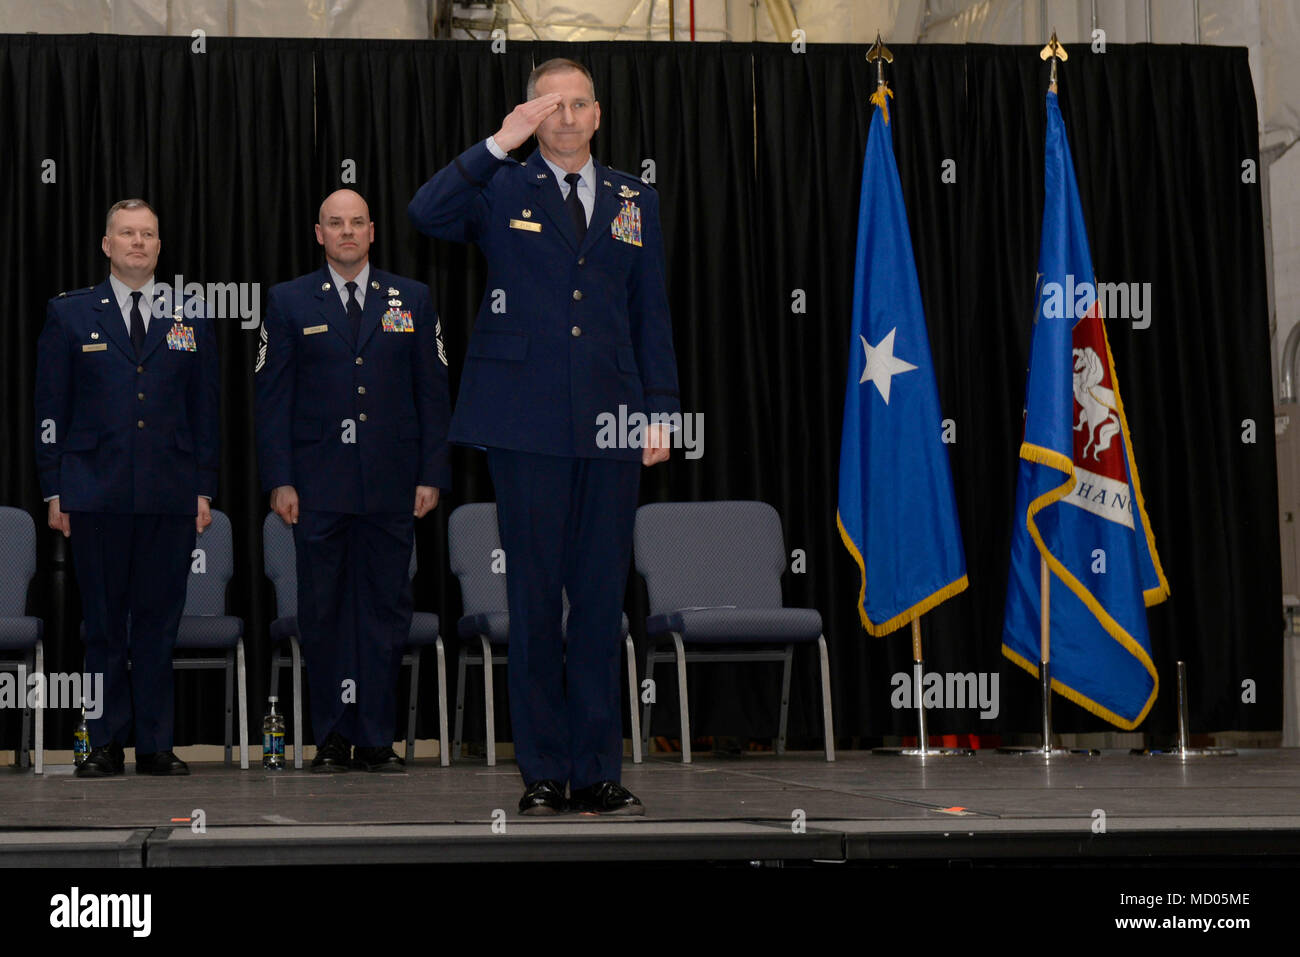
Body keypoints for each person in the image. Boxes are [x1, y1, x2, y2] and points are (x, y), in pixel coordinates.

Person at [408, 58, 679, 814]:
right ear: (529, 114)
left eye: (578, 103)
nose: (564, 115)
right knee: (533, 600)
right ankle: (544, 771)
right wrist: (498, 143)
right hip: (523, 420)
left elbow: (649, 309)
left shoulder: (635, 198)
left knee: (599, 599)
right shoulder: (500, 186)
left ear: (599, 115)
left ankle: (596, 767)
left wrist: (660, 407)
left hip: (613, 419)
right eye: (548, 105)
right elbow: (424, 213)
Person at [256, 189, 451, 773]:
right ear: (319, 234)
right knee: (324, 612)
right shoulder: (288, 301)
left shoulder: (411, 298)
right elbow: (272, 400)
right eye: (335, 224)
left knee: (384, 612)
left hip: (392, 486)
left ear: (372, 232)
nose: (346, 232)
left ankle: (375, 735)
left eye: (357, 223)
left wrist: (431, 472)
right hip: (317, 488)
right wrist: (280, 479)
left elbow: (433, 393)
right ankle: (333, 735)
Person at [35, 198, 219, 777]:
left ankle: (157, 745)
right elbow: (50, 407)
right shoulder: (69, 314)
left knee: (161, 622)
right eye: (126, 234)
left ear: (160, 247)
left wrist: (204, 488)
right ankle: (105, 741)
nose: (137, 243)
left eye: (148, 234)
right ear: (107, 245)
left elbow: (205, 410)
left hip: (170, 491)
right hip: (94, 489)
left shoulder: (192, 313)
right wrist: (53, 487)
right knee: (103, 626)